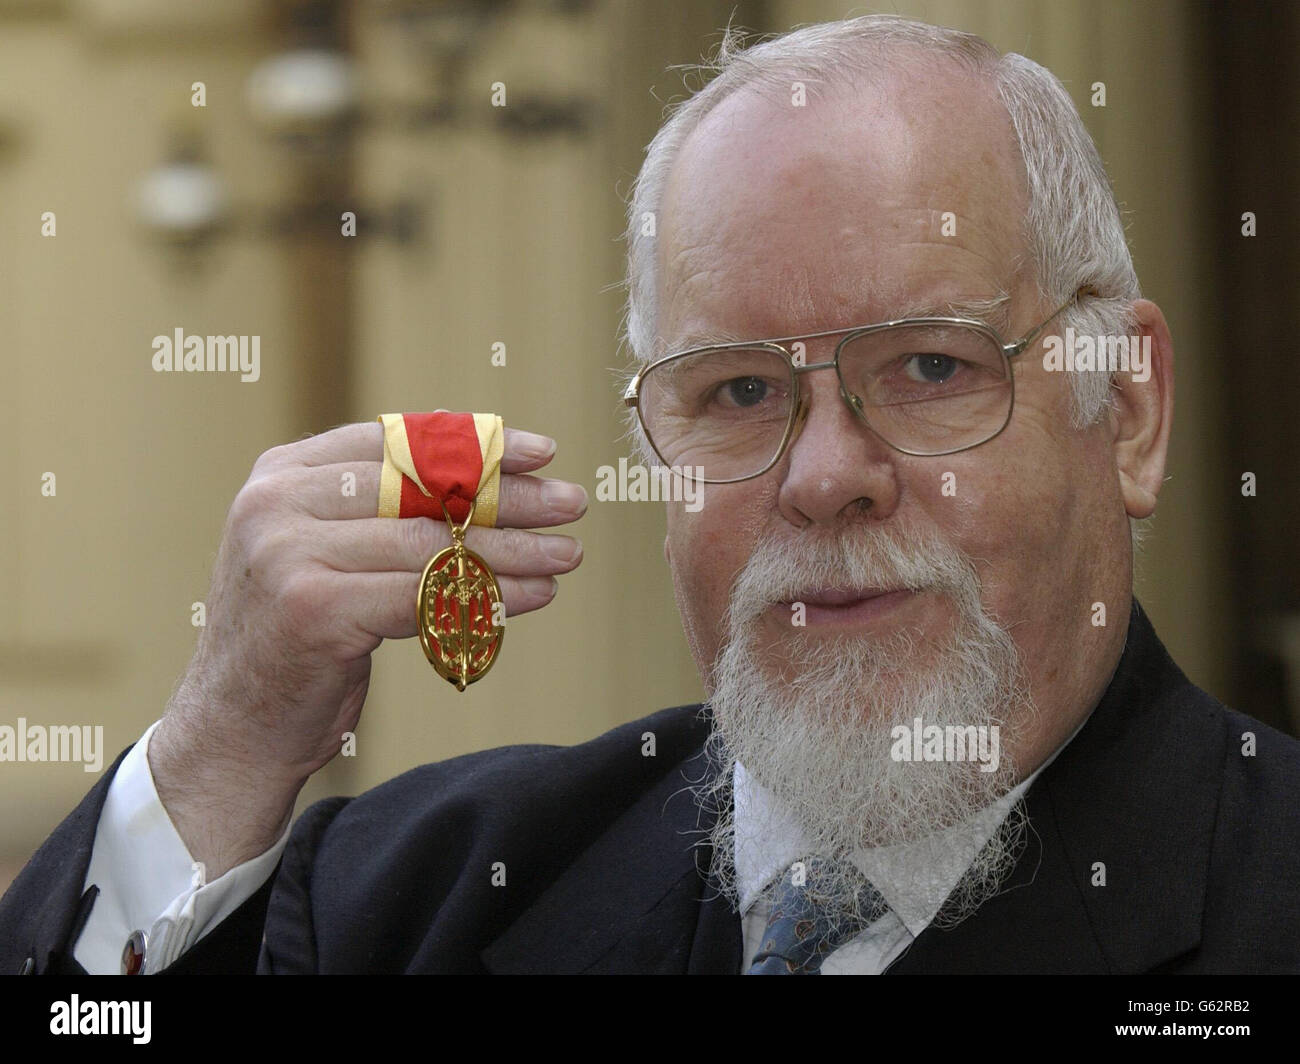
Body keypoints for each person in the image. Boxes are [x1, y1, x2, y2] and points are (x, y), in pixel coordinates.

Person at [3, 13, 1298, 975]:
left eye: (926, 367)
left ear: (1126, 411)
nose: (826, 476)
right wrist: (218, 750)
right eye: (736, 392)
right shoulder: (407, 903)